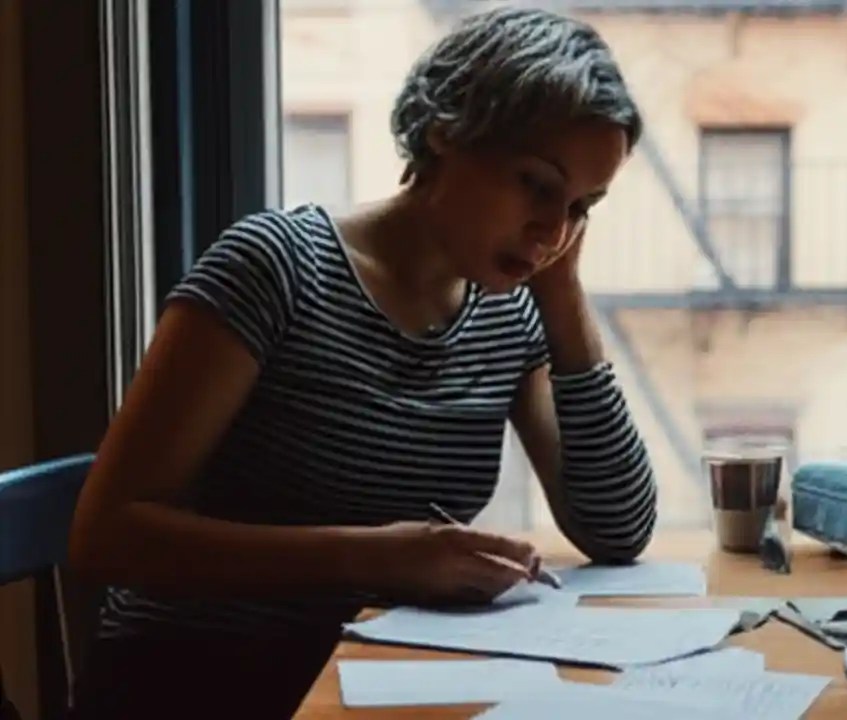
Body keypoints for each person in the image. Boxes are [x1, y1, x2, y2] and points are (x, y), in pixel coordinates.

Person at [65, 7, 657, 718]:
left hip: (374, 678)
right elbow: (106, 534)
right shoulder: (277, 267)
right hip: (196, 679)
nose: (554, 230)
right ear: (447, 131)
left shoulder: (509, 308)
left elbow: (615, 529)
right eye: (535, 185)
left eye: (581, 207)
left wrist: (561, 292)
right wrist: (378, 559)